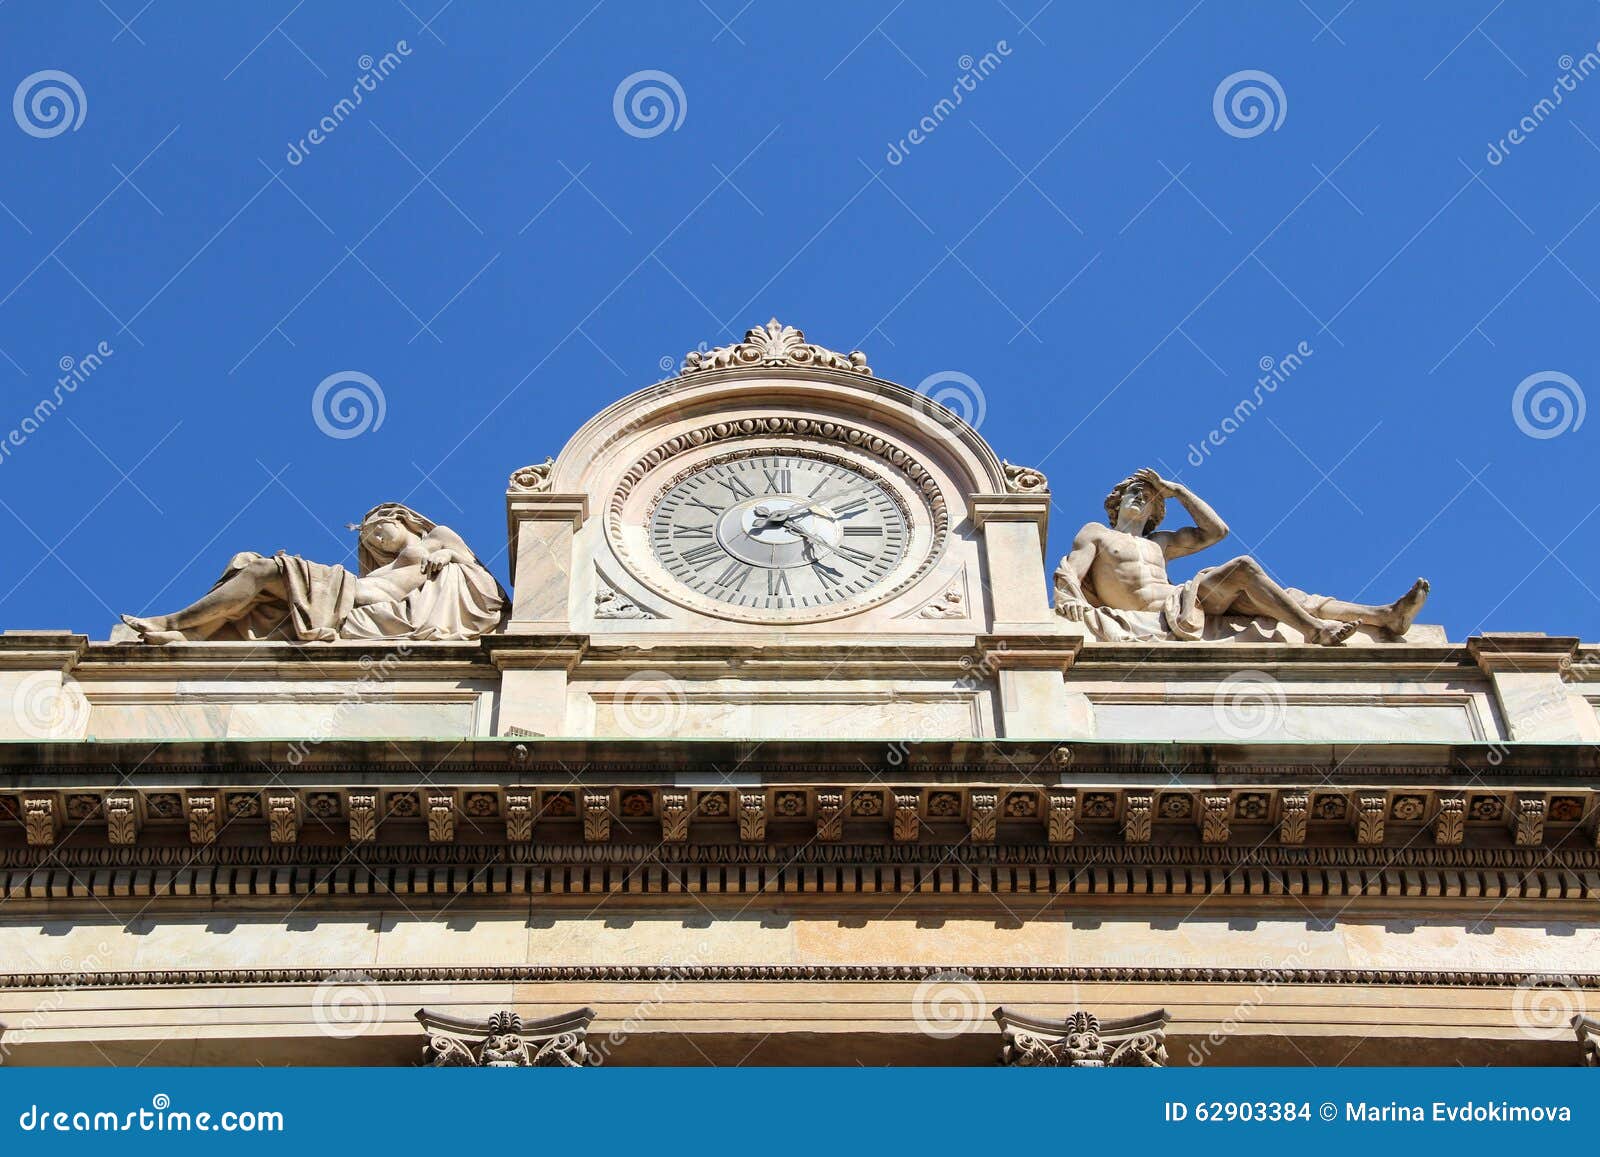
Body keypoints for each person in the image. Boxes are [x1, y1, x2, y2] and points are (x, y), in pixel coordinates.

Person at [1053, 468, 1428, 645]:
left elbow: (1216, 532)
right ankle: (1316, 631)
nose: (1140, 498)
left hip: (1181, 600)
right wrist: (1068, 600)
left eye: (1148, 496)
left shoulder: (1161, 543)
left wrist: (1178, 490)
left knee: (1286, 594)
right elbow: (1070, 572)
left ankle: (1384, 616)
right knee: (1247, 571)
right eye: (1134, 493)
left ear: (1156, 511)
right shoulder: (1096, 533)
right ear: (1117, 503)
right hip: (1157, 613)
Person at [119, 503, 506, 643]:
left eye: (377, 530)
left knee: (265, 570)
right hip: (348, 592)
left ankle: (177, 624)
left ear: (399, 518)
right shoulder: (385, 566)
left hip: (352, 595)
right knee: (252, 566)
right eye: (370, 539)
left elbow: (473, 569)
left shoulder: (435, 537)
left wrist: (446, 559)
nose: (375, 540)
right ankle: (188, 629)